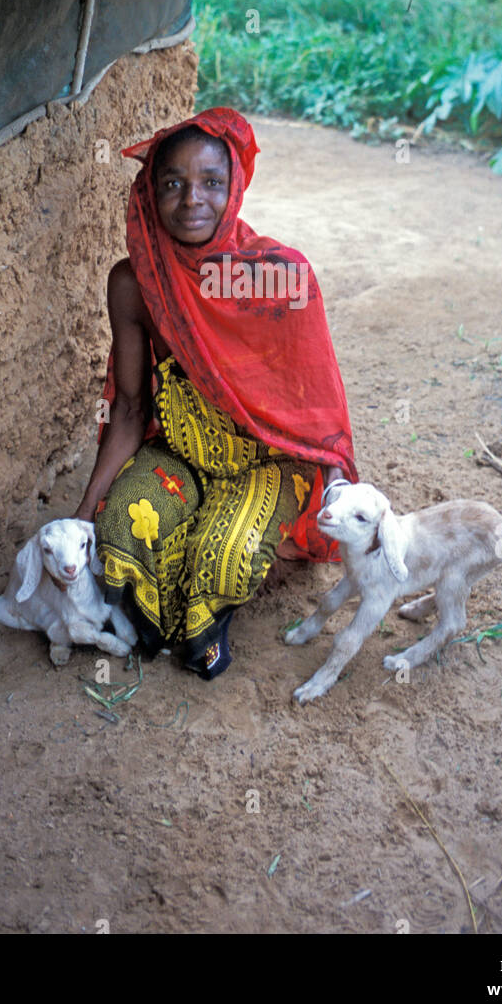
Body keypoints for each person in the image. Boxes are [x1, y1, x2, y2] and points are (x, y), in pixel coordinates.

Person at [74, 107, 356, 679]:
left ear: (235, 189)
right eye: (172, 183)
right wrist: (79, 521)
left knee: (219, 556)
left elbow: (315, 407)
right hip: (180, 453)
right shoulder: (133, 283)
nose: (191, 200)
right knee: (121, 528)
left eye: (211, 183)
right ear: (150, 194)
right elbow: (129, 408)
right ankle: (155, 613)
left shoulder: (280, 275)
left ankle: (206, 626)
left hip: (262, 465)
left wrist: (341, 489)